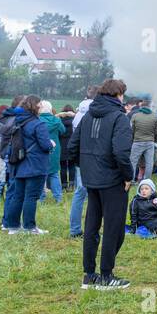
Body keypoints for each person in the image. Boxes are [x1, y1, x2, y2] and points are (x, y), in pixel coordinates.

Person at [66, 80, 134, 290]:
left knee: (91, 228)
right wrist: (127, 176)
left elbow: (72, 147)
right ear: (119, 94)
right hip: (113, 181)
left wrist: (86, 168)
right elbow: (121, 152)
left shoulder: (86, 116)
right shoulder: (119, 118)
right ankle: (106, 276)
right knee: (114, 229)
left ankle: (89, 275)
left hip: (91, 180)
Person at [1, 96, 53, 234]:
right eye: (40, 104)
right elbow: (45, 145)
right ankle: (29, 227)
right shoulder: (38, 124)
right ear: (35, 106)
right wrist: (51, 144)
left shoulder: (18, 121)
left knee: (18, 196)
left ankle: (12, 226)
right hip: (35, 165)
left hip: (19, 164)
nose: (41, 106)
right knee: (31, 197)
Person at [67, 90, 95, 240]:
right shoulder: (94, 113)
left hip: (80, 157)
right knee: (93, 194)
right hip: (92, 157)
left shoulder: (78, 114)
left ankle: (75, 228)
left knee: (79, 192)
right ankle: (91, 228)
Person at [37, 100, 65, 204]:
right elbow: (63, 131)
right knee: (54, 174)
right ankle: (58, 198)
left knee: (41, 175)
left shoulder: (37, 120)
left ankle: (41, 198)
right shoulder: (56, 120)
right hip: (54, 150)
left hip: (40, 150)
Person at [128, 100, 157, 182]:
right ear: (149, 107)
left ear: (141, 107)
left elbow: (130, 130)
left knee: (133, 162)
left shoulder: (135, 116)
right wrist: (154, 138)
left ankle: (131, 180)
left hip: (137, 142)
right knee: (149, 162)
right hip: (150, 142)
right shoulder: (154, 116)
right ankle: (147, 180)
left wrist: (132, 139)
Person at [57, 106, 76, 189]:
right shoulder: (74, 122)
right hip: (72, 146)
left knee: (63, 167)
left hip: (61, 146)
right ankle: (72, 184)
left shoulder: (59, 122)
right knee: (72, 166)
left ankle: (64, 185)